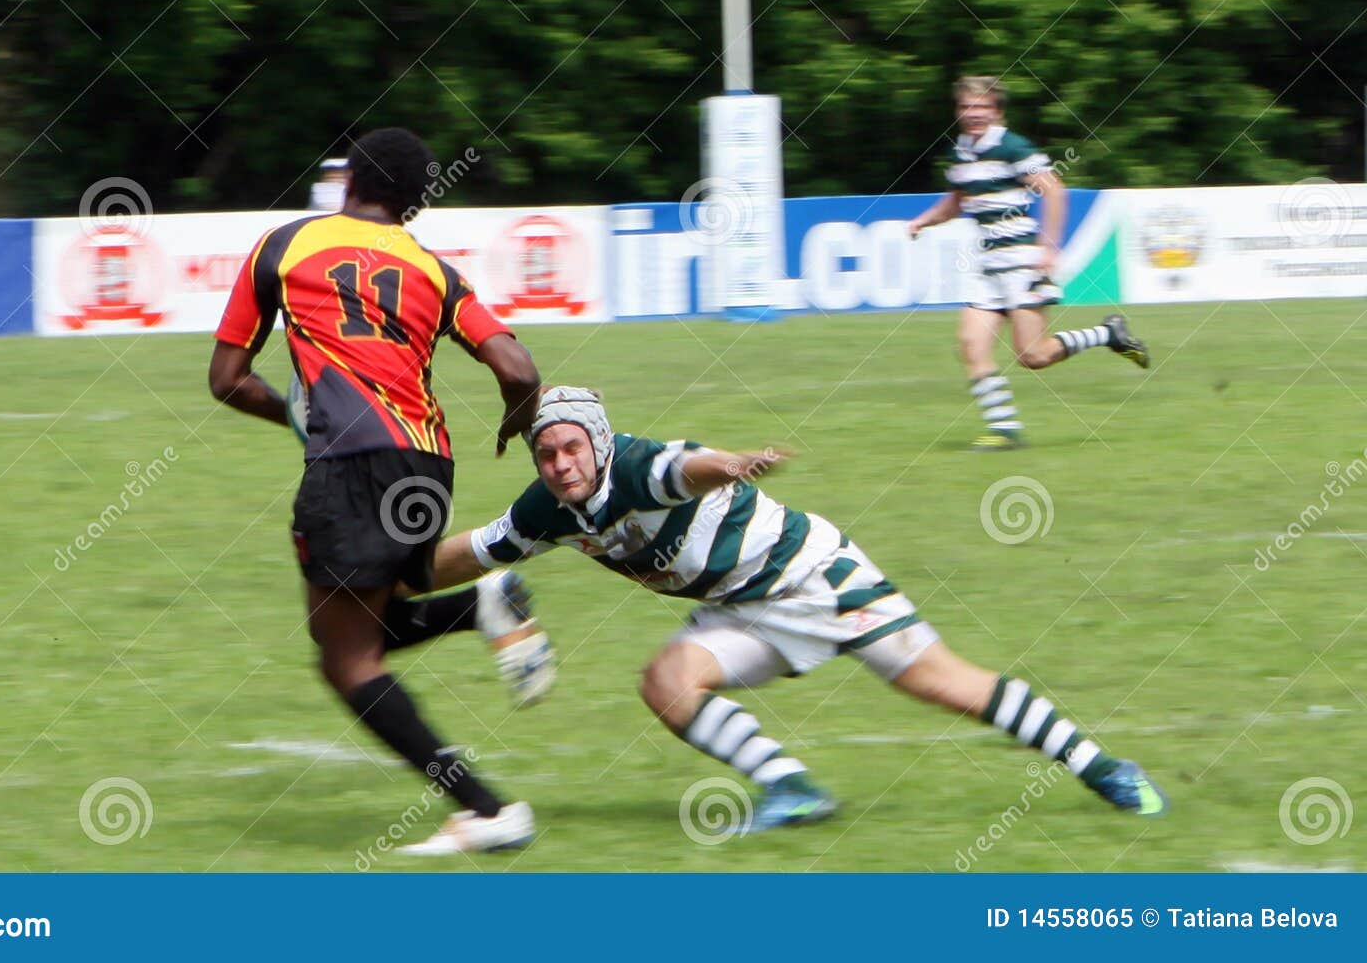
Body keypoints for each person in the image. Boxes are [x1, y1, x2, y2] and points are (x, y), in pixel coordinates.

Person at [429, 387, 1168, 834]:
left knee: (944, 683)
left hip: (813, 576)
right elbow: (474, 551)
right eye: (546, 453)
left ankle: (1101, 765)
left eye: (569, 447)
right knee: (666, 681)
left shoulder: (633, 465)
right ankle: (794, 789)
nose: (559, 463)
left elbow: (685, 466)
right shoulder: (546, 509)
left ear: (596, 439)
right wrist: (384, 574)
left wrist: (733, 463)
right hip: (739, 609)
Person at [209, 126, 546, 856]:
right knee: (362, 622)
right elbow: (519, 369)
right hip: (427, 465)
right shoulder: (435, 271)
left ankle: (487, 810)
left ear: (347, 180)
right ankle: (480, 603)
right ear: (416, 204)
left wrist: (295, 414)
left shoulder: (284, 245)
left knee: (346, 657)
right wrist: (513, 424)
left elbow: (228, 379)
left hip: (350, 463)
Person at [909, 76, 1149, 451]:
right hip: (989, 265)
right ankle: (1004, 432)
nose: (973, 114)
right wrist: (924, 220)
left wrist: (1049, 246)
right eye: (966, 107)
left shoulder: (1011, 146)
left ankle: (1108, 334)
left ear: (997, 111)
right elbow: (957, 201)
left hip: (1022, 262)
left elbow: (1053, 189)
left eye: (982, 107)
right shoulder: (960, 152)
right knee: (971, 346)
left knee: (1032, 356)